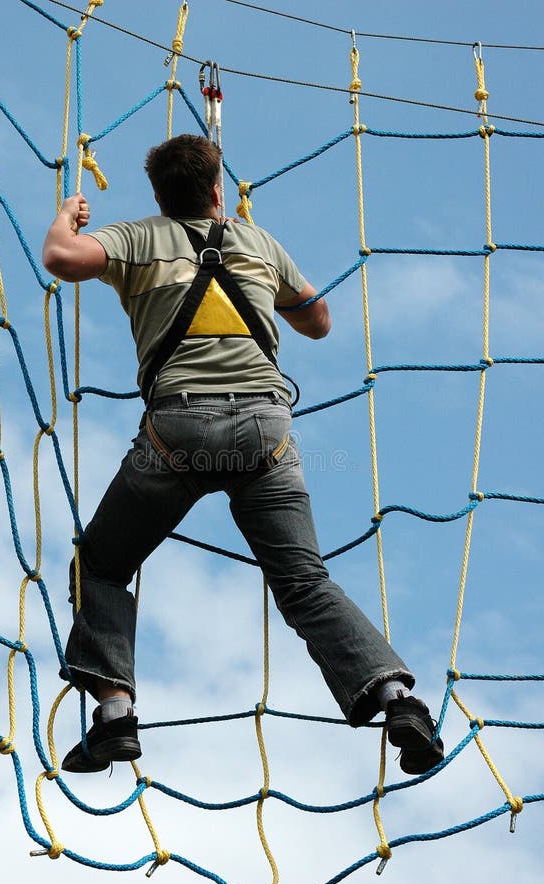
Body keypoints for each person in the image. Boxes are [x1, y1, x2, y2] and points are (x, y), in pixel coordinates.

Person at [42, 133, 444, 776]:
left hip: (178, 432)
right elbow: (318, 321)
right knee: (305, 582)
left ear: (158, 197)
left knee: (101, 567)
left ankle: (115, 715)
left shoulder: (137, 238)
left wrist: (68, 215)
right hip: (266, 432)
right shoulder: (258, 243)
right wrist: (260, 273)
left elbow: (61, 257)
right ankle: (398, 698)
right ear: (217, 190)